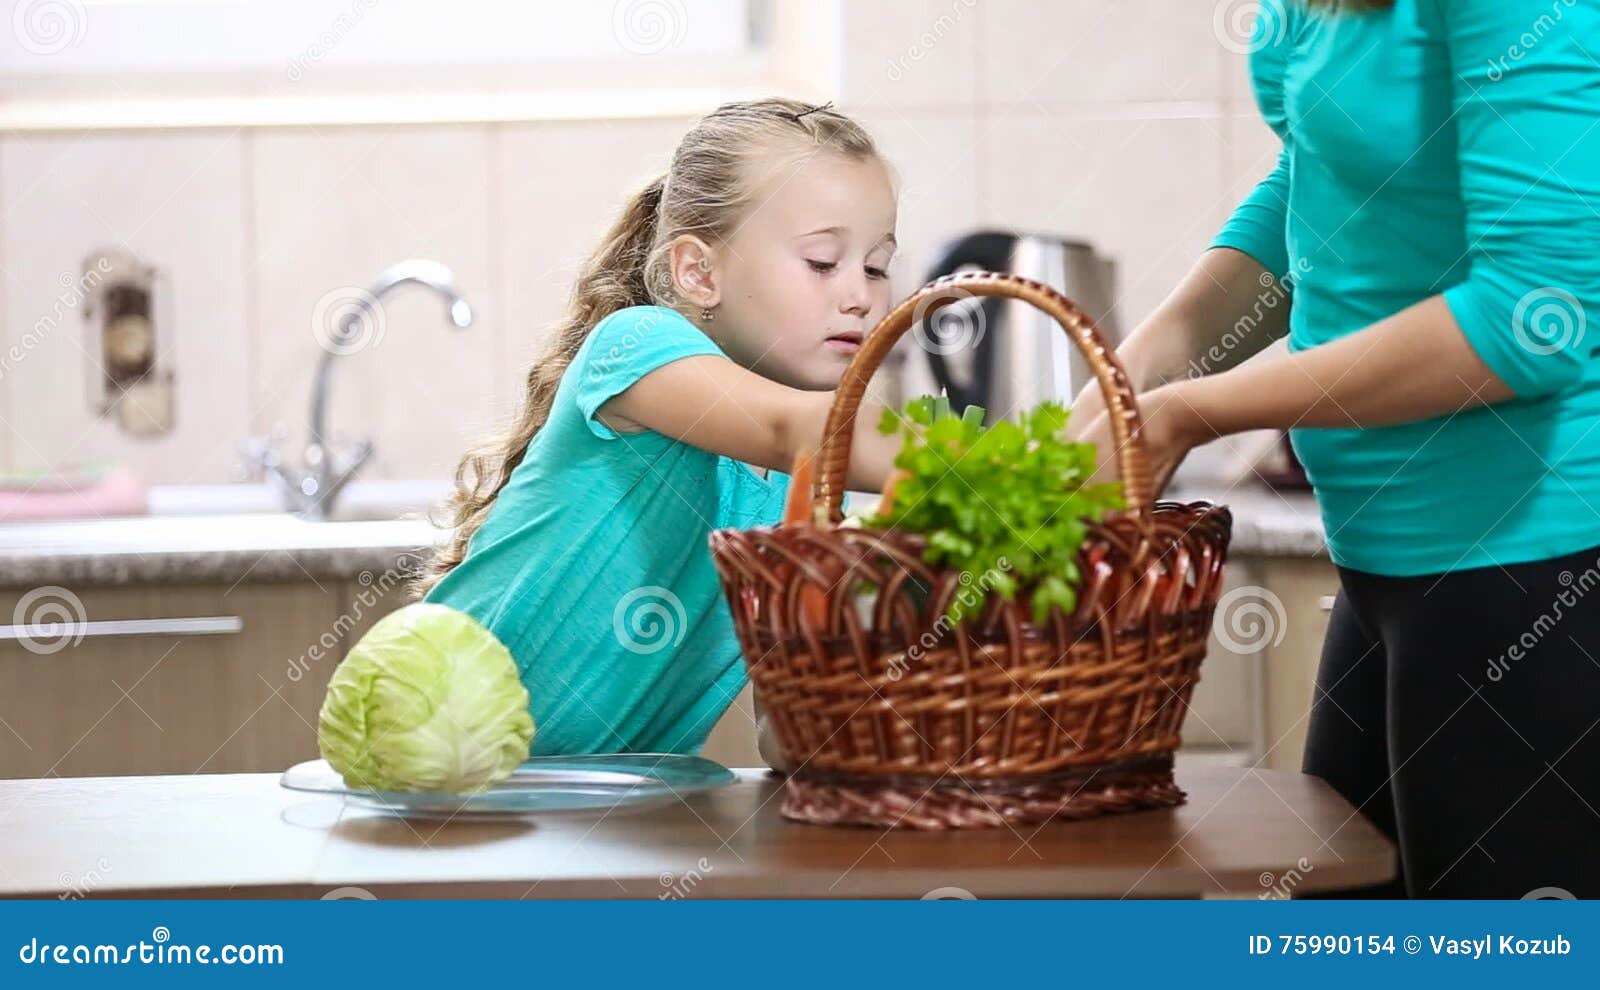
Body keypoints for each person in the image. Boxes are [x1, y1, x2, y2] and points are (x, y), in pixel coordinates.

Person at [1071, 0, 1600, 898]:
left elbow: (1533, 319)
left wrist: (1184, 414)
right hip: (1386, 562)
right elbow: (1325, 178)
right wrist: (1129, 374)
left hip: (1533, 557)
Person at [414, 98, 900, 757]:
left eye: (876, 266)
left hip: (607, 812)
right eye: (822, 262)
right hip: (437, 776)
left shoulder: (805, 483)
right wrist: (1020, 469)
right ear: (699, 272)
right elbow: (797, 426)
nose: (860, 295)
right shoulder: (638, 349)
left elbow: (793, 726)